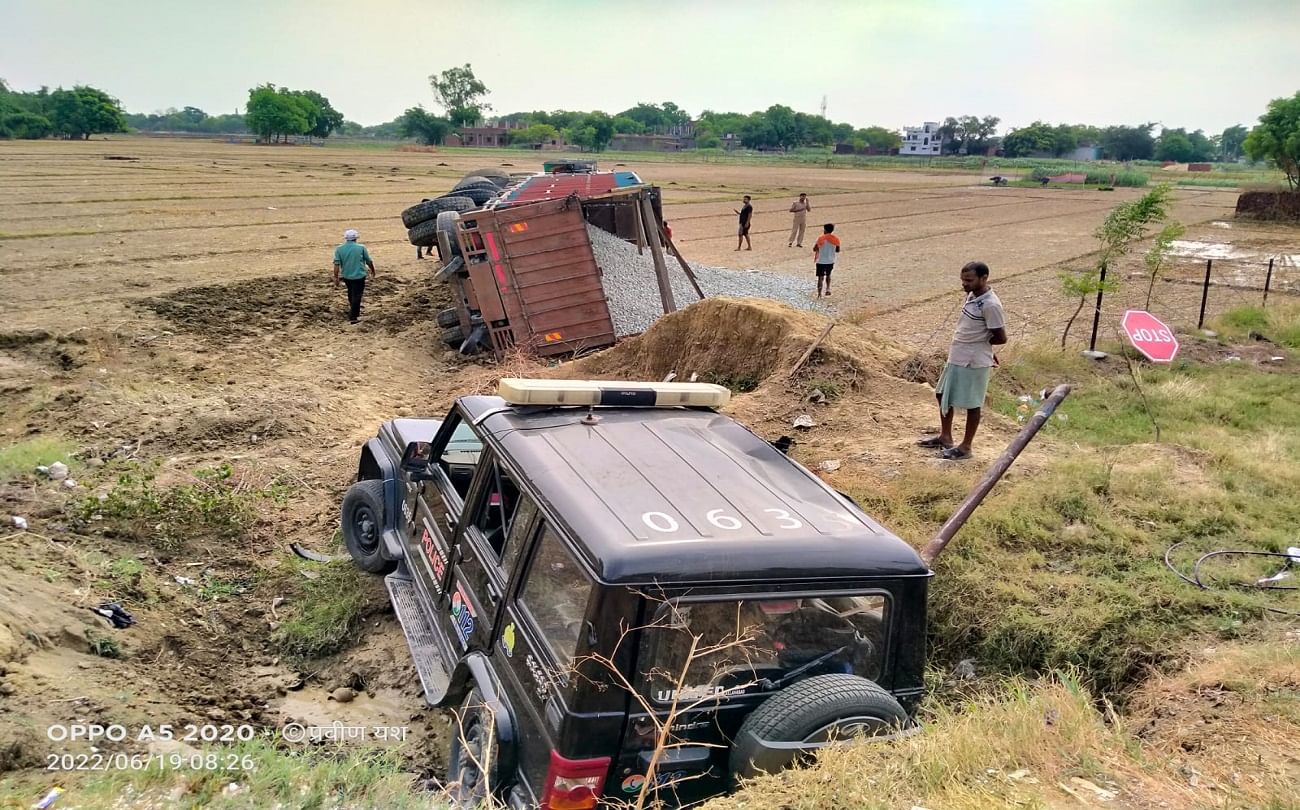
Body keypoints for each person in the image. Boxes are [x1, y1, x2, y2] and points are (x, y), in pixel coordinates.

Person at [918, 261, 1007, 460]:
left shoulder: (991, 305)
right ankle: (945, 437)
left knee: (973, 404)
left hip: (973, 360)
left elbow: (1000, 337)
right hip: (958, 355)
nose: (964, 284)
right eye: (962, 280)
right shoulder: (972, 296)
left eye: (969, 280)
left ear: (984, 279)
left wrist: (984, 348)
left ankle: (966, 447)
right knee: (942, 394)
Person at [333, 228, 376, 324]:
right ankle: (353, 316)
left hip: (347, 276)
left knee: (351, 293)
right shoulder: (361, 248)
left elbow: (336, 264)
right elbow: (369, 261)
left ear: (346, 238)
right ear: (356, 238)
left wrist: (336, 277)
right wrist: (373, 271)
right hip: (359, 275)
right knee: (357, 295)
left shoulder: (339, 249)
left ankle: (354, 310)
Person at [811, 223, 840, 298]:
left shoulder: (821, 238)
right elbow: (837, 250)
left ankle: (819, 294)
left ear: (825, 230)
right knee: (828, 275)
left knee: (820, 277)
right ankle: (828, 288)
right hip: (830, 260)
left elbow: (815, 249)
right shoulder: (836, 239)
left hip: (821, 260)